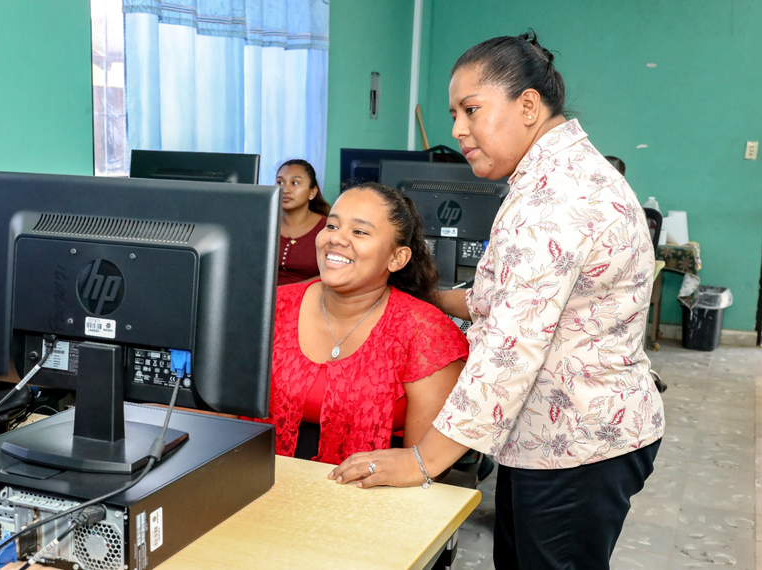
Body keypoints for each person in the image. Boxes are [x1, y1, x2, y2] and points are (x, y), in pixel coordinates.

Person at [329, 33, 665, 570]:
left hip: (575, 446)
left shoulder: (556, 198)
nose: (458, 130)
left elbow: (510, 350)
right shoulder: (548, 178)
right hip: (550, 437)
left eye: (471, 110)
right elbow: (503, 302)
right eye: (454, 113)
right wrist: (430, 297)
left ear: (528, 106)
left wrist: (423, 461)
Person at [252, 182, 468, 464]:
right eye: (331, 226)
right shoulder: (271, 307)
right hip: (256, 484)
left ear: (397, 258)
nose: (336, 239)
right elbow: (221, 417)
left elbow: (423, 466)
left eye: (359, 231)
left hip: (369, 497)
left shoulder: (425, 331)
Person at [275, 159, 331, 286]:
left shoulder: (327, 229)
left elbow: (331, 274)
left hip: (309, 300)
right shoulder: (265, 223)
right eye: (280, 182)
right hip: (263, 298)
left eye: (294, 183)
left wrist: (287, 292)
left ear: (312, 192)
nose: (285, 189)